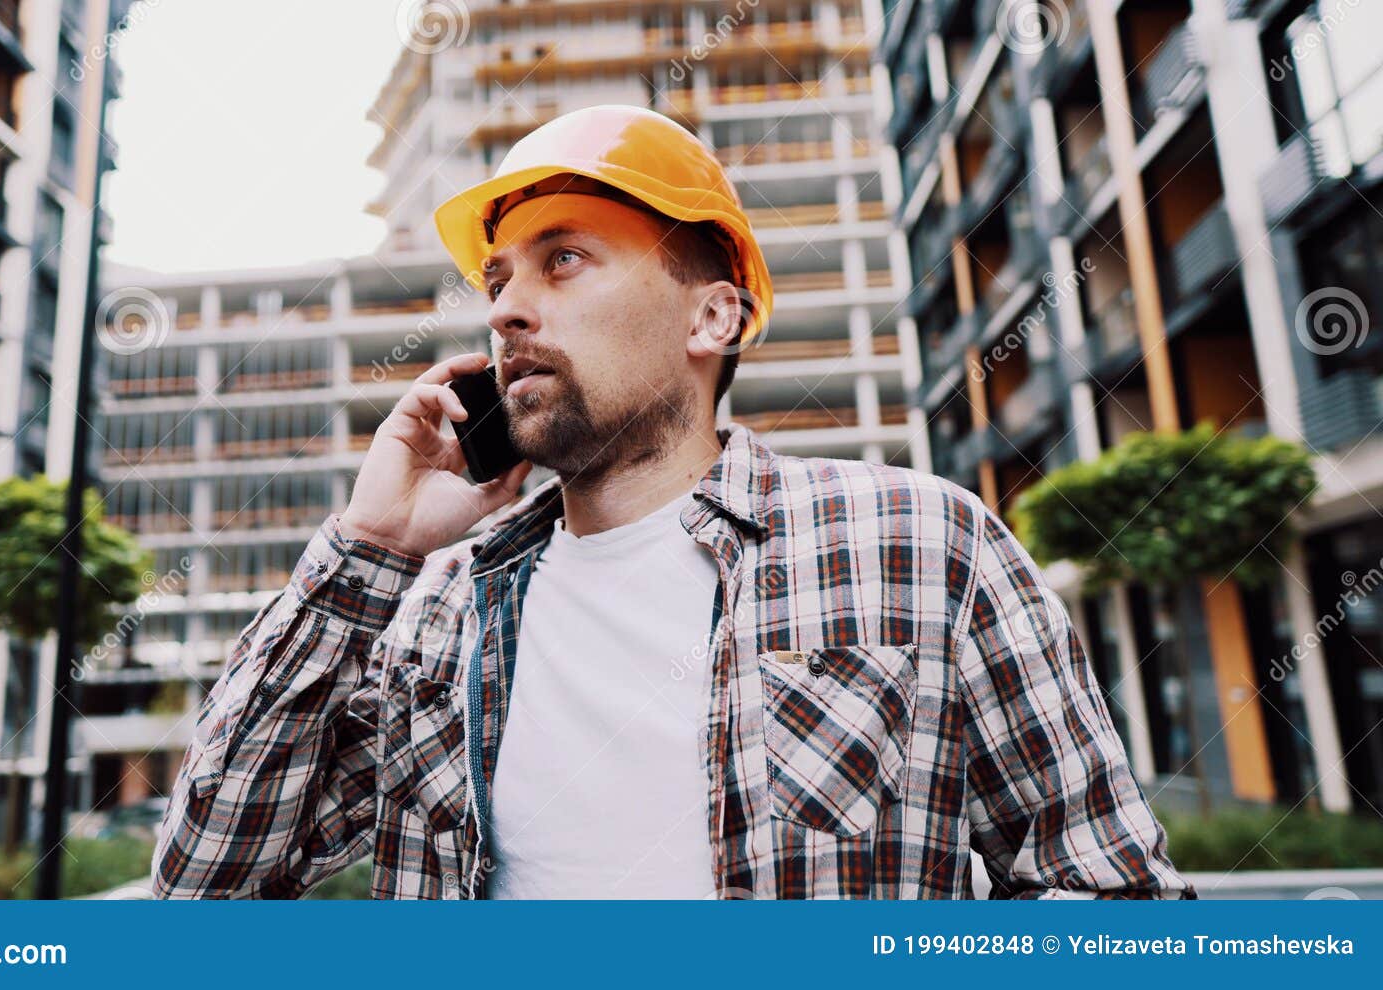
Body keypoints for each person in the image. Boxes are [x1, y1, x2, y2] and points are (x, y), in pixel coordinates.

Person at [152, 104, 1193, 900]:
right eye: (499, 279)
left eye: (565, 259)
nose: (507, 306)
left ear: (711, 317)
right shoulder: (434, 604)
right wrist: (368, 547)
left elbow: (1110, 902)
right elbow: (208, 887)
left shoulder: (921, 547)